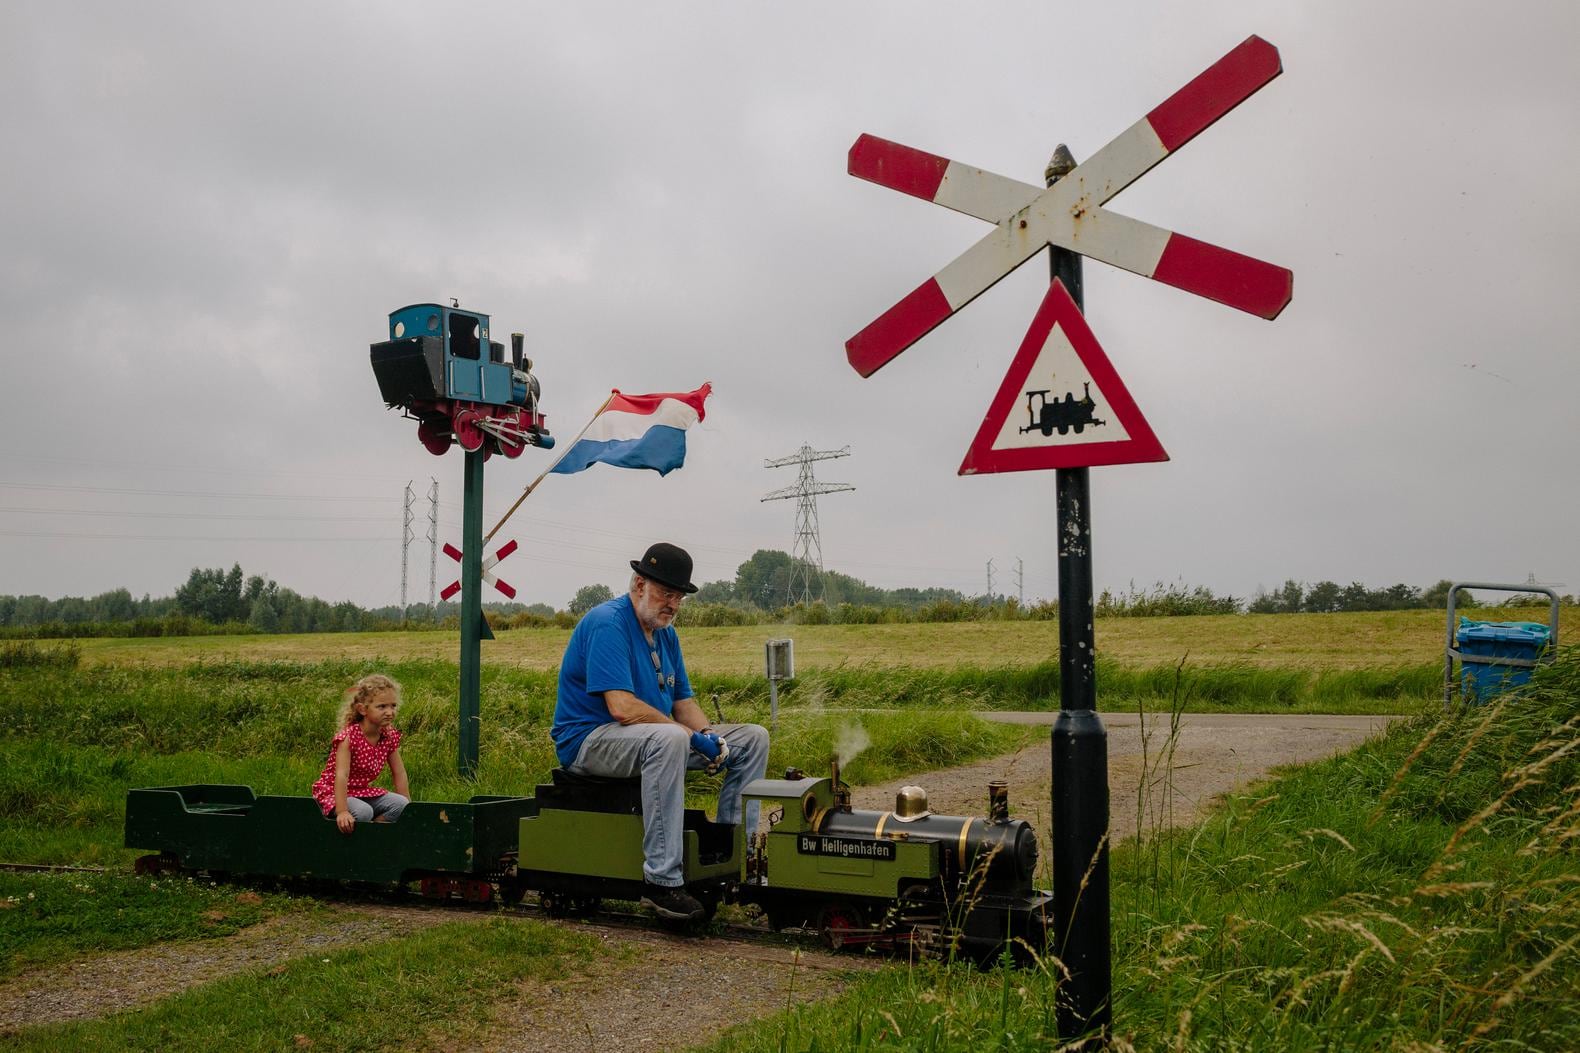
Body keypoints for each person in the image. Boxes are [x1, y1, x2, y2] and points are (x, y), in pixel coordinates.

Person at [553, 542, 769, 921]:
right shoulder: (608, 623)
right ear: (640, 585)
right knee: (670, 738)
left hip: (646, 739)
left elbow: (683, 702)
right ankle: (662, 881)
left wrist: (709, 736)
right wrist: (689, 737)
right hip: (589, 740)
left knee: (753, 738)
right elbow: (621, 707)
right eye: (667, 594)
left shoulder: (666, 634)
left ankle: (737, 855)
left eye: (679, 597)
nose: (673, 604)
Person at [311, 673, 411, 834]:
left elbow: (399, 772)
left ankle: (374, 834)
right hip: (334, 793)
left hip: (361, 792)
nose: (389, 712)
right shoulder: (349, 737)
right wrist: (342, 811)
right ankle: (352, 836)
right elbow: (342, 775)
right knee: (363, 812)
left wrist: (408, 810)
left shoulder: (388, 736)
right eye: (382, 706)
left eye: (393, 706)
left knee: (401, 804)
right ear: (362, 709)